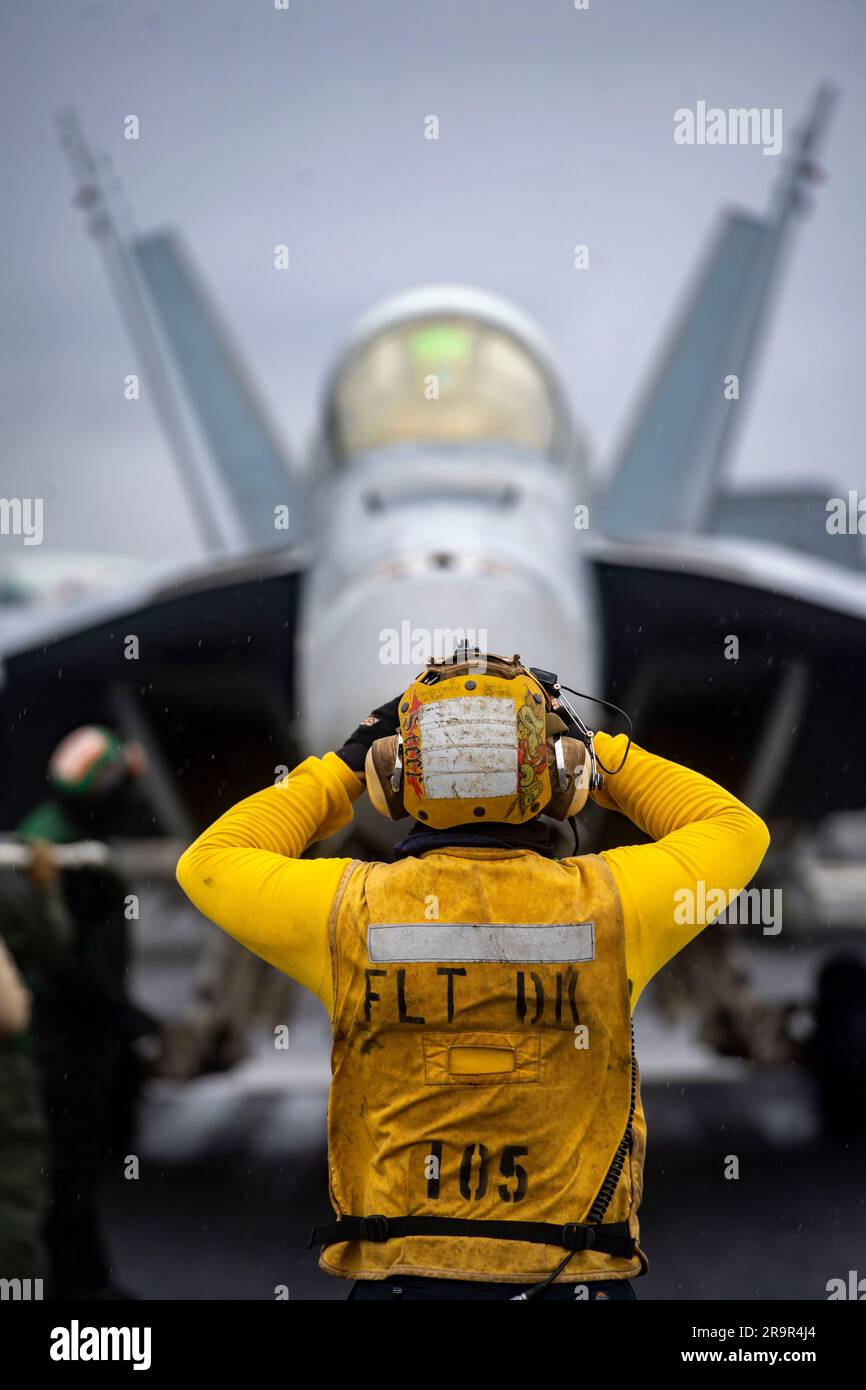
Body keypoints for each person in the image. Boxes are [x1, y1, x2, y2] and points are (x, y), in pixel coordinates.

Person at [176, 650, 769, 1300]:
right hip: (571, 1279)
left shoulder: (348, 911)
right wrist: (597, 754)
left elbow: (209, 862)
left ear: (395, 780)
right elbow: (736, 829)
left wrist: (342, 766)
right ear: (560, 776)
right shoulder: (616, 905)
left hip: (401, 1279)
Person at [18, 726, 150, 1299]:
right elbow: (54, 959)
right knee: (62, 1171)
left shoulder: (60, 839)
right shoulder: (60, 853)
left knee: (70, 1170)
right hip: (60, 1042)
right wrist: (115, 1014)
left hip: (74, 1034)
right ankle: (76, 1291)